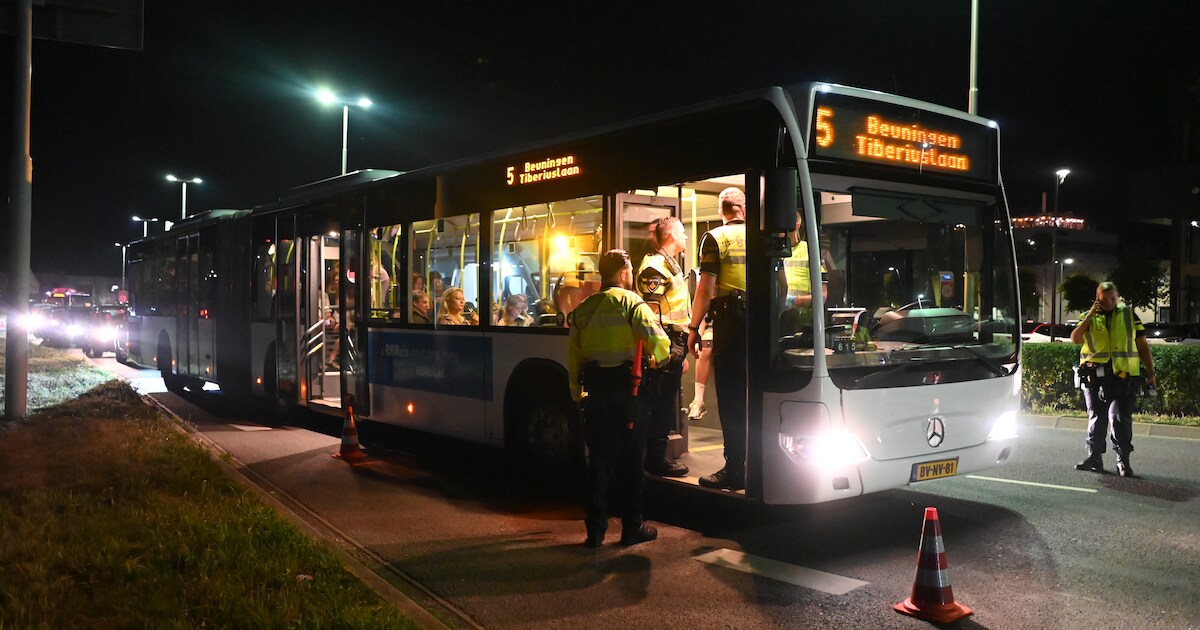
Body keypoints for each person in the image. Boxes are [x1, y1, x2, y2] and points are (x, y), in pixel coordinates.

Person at [568, 249, 670, 548]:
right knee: (631, 462)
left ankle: (596, 532)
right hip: (630, 394)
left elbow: (573, 358)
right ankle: (631, 528)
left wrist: (577, 394)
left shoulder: (584, 308)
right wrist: (662, 361)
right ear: (625, 273)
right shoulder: (631, 303)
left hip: (597, 394)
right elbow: (659, 342)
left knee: (599, 461)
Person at [686, 186, 747, 490]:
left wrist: (695, 326)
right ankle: (756, 464)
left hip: (732, 324)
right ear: (743, 209)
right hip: (761, 324)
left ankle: (735, 467)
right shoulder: (761, 236)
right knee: (754, 396)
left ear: (722, 210)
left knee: (732, 397)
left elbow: (705, 288)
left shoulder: (715, 238)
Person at [1070, 281, 1156, 477]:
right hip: (1094, 378)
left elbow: (1143, 346)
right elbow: (1075, 338)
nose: (1109, 302)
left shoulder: (1128, 315)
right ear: (1097, 299)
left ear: (1117, 298)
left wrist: (1151, 374)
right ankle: (1095, 458)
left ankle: (1123, 461)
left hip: (1123, 377)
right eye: (1104, 299)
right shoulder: (1088, 316)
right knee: (1096, 418)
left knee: (1119, 419)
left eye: (1113, 299)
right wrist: (1091, 315)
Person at [636, 216, 691, 478]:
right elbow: (651, 314)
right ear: (670, 236)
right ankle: (655, 459)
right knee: (659, 403)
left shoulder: (669, 264)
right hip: (665, 341)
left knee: (664, 401)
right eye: (682, 232)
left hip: (673, 341)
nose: (686, 237)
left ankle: (655, 457)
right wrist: (664, 351)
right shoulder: (654, 268)